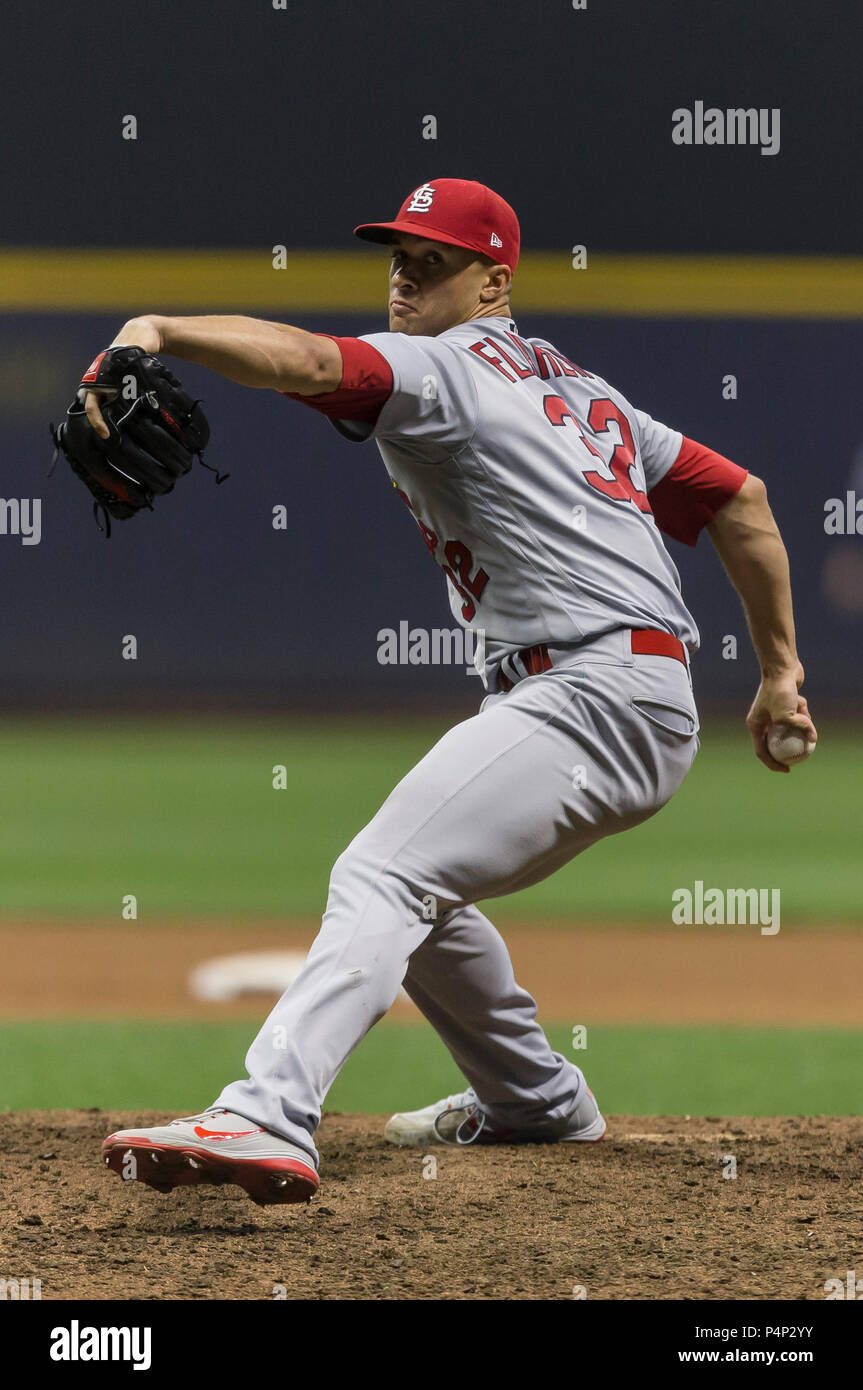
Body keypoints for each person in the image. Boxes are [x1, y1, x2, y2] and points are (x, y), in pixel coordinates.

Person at [99, 178, 817, 1205]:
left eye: (429, 260)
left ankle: (267, 1114)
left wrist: (161, 327)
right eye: (396, 254)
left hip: (591, 689)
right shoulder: (584, 392)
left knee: (380, 875)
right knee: (420, 890)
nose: (403, 273)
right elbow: (737, 496)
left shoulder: (444, 367)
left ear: (492, 281)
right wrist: (780, 671)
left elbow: (308, 360)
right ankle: (535, 1100)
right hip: (622, 687)